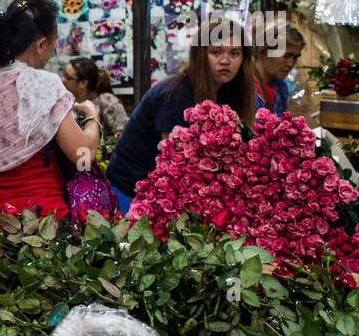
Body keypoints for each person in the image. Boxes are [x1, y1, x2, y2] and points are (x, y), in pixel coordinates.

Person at [0, 0, 102, 230]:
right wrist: (92, 116)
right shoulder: (43, 85)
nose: (53, 51)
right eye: (53, 43)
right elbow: (83, 156)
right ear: (40, 45)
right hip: (42, 225)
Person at [106, 21, 258, 211]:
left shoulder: (231, 92)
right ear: (201, 55)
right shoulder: (176, 93)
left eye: (235, 53)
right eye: (216, 52)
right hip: (131, 193)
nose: (225, 60)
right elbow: (172, 164)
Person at [63, 56, 128, 136]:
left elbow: (124, 134)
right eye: (63, 74)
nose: (63, 80)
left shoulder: (107, 102)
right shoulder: (66, 103)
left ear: (83, 83)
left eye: (68, 77)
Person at [253, 20, 304, 116]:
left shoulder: (281, 88)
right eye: (286, 56)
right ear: (264, 51)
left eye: (295, 57)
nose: (291, 64)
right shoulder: (244, 86)